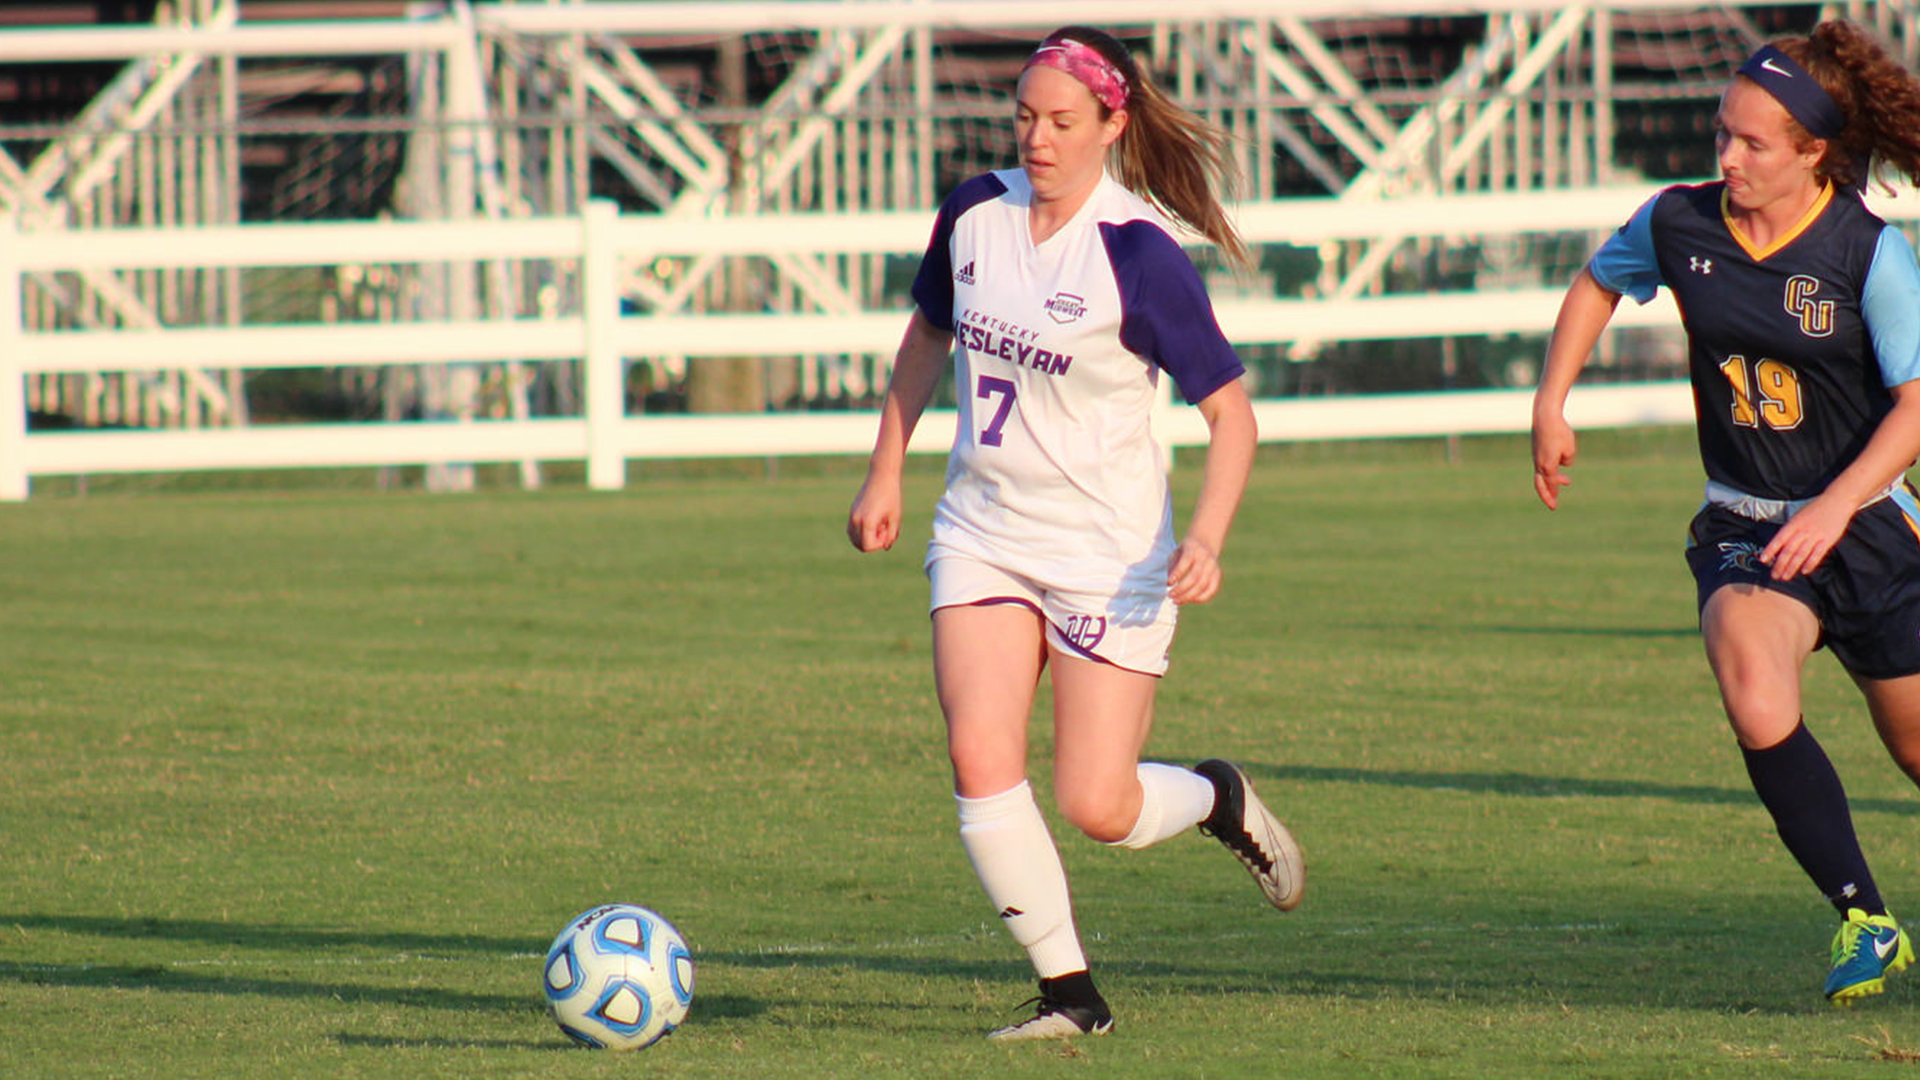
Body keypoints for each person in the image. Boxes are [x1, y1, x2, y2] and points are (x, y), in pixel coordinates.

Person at [846, 25, 1304, 1041]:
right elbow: (928, 333)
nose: (1038, 139)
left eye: (1061, 121)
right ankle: (1070, 996)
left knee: (1100, 805)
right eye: (1025, 118)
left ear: (1113, 124)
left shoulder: (1138, 254)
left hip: (1109, 556)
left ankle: (1219, 798)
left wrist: (1210, 539)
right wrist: (888, 466)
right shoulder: (974, 212)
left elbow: (1233, 414)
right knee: (979, 752)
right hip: (985, 532)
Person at [1532, 19, 1920, 1006]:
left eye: (1753, 143)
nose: (1729, 158)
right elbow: (1595, 284)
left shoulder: (1868, 255)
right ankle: (1866, 922)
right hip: (1748, 524)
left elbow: (1918, 404)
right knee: (1753, 684)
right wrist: (1551, 400)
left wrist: (1837, 505)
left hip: (1869, 525)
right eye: (1723, 135)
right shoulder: (1678, 225)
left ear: (1812, 152)